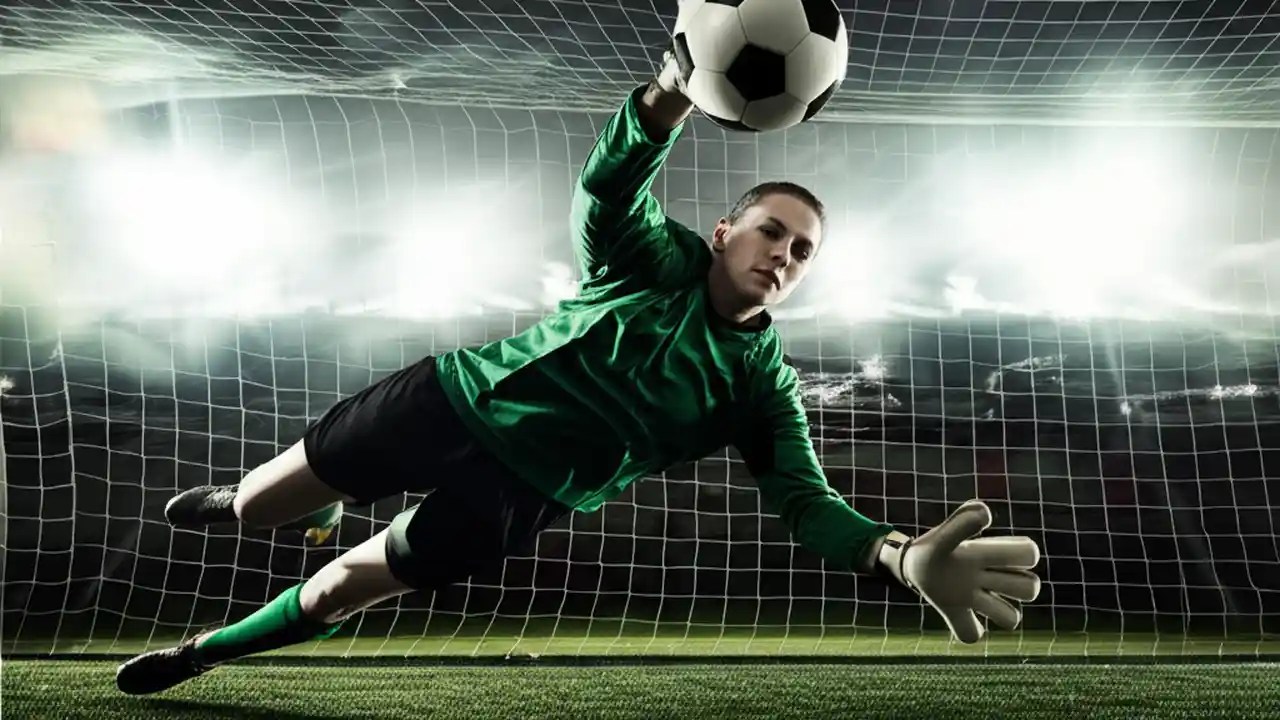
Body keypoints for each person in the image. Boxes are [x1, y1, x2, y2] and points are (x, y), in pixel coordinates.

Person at [116, 54, 1041, 695]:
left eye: (803, 249)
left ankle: (202, 652)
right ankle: (304, 501)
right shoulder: (650, 260)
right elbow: (607, 189)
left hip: (519, 498)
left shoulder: (762, 387)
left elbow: (804, 500)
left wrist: (892, 554)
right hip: (449, 403)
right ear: (725, 232)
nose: (784, 254)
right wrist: (672, 94)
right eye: (770, 229)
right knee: (252, 514)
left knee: (338, 592)